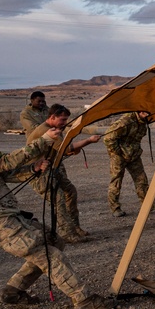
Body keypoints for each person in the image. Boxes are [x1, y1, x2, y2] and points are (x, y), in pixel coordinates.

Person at [0, 123, 111, 309]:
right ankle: (83, 300)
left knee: (54, 241)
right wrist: (44, 140)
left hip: (9, 218)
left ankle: (13, 291)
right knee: (49, 255)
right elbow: (8, 161)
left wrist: (34, 168)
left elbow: (9, 172)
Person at [27, 104, 101, 243]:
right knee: (58, 199)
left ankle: (75, 227)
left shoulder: (54, 129)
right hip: (39, 172)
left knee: (70, 191)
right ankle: (67, 234)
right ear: (52, 117)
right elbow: (66, 149)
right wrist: (88, 140)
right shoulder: (46, 131)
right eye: (62, 119)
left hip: (51, 167)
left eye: (66, 119)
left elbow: (62, 150)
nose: (65, 123)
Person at [103, 111, 155, 217]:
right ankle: (115, 208)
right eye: (144, 111)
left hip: (134, 155)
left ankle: (148, 205)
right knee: (116, 181)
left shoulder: (143, 122)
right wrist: (118, 152)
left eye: (148, 112)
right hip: (119, 157)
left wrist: (132, 151)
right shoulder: (126, 121)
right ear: (139, 110)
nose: (147, 114)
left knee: (142, 180)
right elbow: (108, 138)